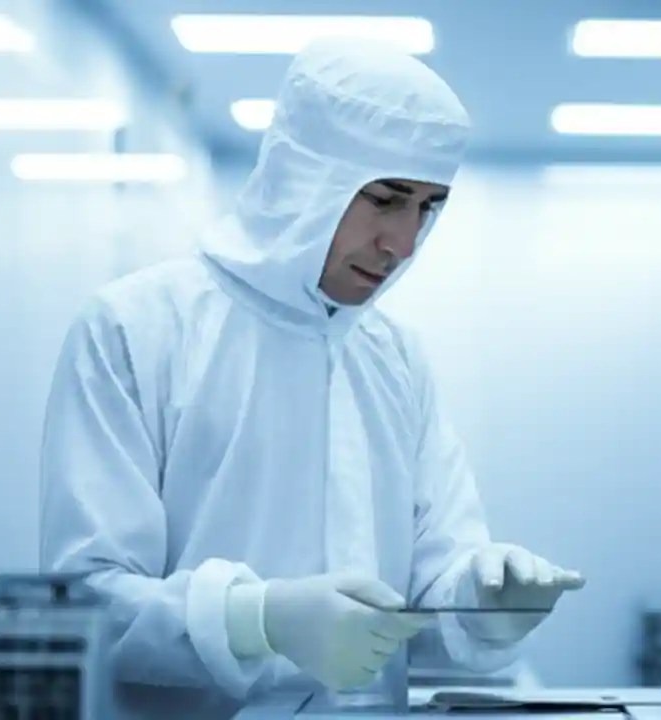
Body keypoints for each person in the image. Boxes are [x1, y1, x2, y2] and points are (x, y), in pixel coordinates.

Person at [40, 38, 584, 719]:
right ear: (307, 177)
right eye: (386, 199)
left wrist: (481, 600)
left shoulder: (394, 357)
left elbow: (433, 579)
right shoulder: (136, 328)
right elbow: (87, 605)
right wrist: (254, 619)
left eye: (428, 207)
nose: (404, 244)